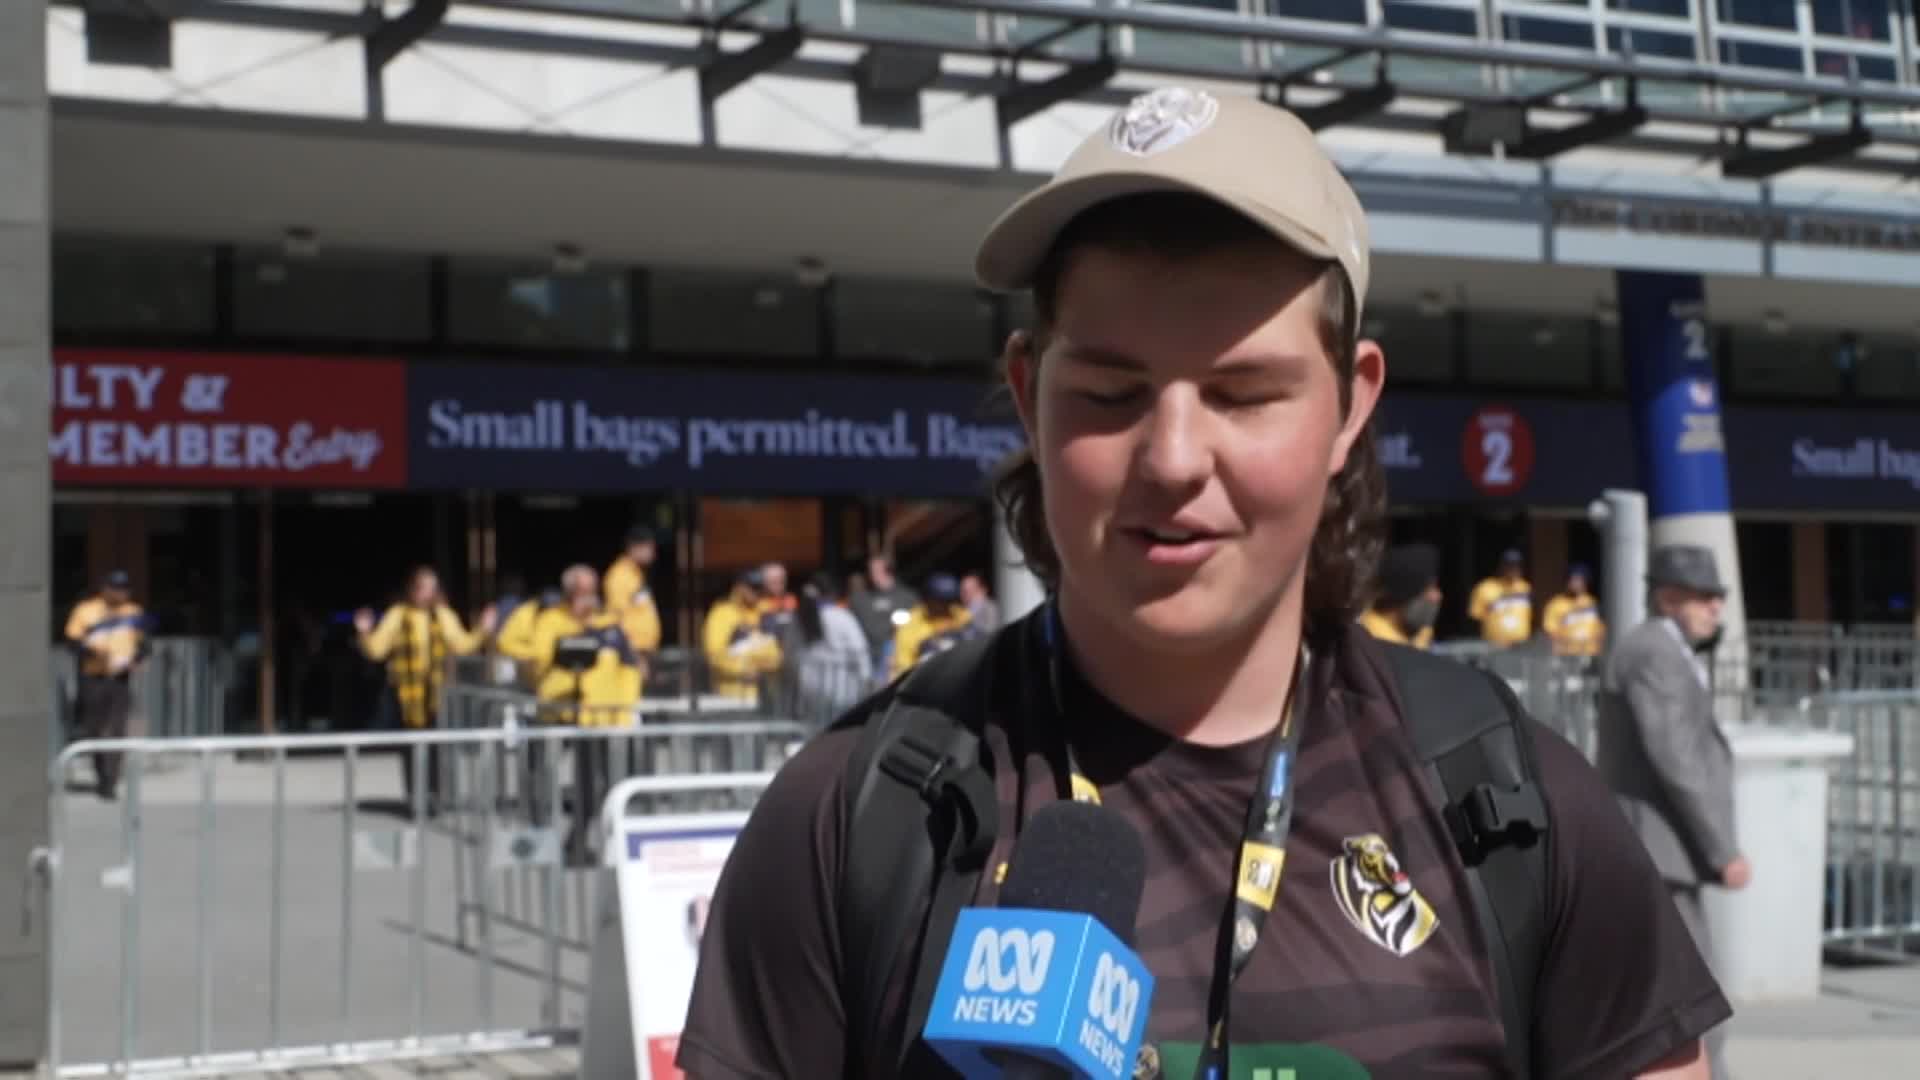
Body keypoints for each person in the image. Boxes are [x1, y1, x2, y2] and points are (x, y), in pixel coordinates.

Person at [680, 87, 1724, 1079]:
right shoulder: (853, 814)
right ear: (1028, 396)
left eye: (1243, 392)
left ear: (1350, 408)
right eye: (1109, 391)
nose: (1174, 458)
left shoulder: (1514, 805)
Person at [1597, 544, 1748, 1080]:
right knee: (1692, 996)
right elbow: (1675, 756)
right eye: (1705, 597)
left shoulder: (1666, 650)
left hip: (1665, 852)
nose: (1716, 609)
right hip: (1657, 848)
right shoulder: (1653, 653)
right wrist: (1722, 848)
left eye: (1718, 598)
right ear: (1667, 597)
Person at [529, 563, 650, 860]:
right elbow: (539, 662)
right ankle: (548, 843)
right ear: (569, 593)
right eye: (582, 592)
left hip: (602, 717)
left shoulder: (609, 625)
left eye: (592, 591)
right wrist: (575, 637)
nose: (589, 598)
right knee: (546, 782)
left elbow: (631, 665)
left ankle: (584, 841)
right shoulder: (550, 621)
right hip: (560, 713)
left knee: (603, 783)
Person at [355, 567, 495, 813]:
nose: (427, 593)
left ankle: (434, 798)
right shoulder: (398, 615)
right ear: (412, 589)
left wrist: (483, 629)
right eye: (422, 587)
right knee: (410, 747)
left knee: (437, 748)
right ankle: (415, 798)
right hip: (406, 696)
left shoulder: (443, 615)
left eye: (432, 587)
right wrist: (364, 631)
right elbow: (377, 650)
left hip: (436, 695)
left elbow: (463, 645)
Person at [63, 570, 148, 800]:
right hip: (94, 677)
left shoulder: (133, 612)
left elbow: (143, 644)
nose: (121, 594)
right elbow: (72, 642)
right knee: (96, 728)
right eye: (116, 588)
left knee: (117, 728)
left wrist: (136, 660)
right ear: (105, 589)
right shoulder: (86, 611)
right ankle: (102, 775)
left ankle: (111, 780)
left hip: (120, 679)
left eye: (125, 589)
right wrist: (95, 653)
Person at [791, 571, 874, 728]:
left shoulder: (797, 619)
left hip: (811, 691)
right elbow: (860, 650)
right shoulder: (841, 616)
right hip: (841, 691)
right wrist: (866, 680)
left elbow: (790, 655)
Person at [701, 570, 782, 701]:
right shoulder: (722, 612)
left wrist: (762, 666)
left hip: (766, 693)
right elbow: (714, 654)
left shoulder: (767, 610)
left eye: (760, 588)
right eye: (753, 587)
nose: (757, 592)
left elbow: (777, 652)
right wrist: (743, 669)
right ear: (739, 587)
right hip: (733, 693)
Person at [887, 572, 978, 679]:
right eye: (939, 601)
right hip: (924, 681)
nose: (944, 606)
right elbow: (903, 667)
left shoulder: (960, 615)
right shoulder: (911, 624)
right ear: (928, 600)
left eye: (948, 601)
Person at [1359, 542, 1442, 649]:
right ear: (1403, 596)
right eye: (1428, 589)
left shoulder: (1418, 632)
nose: (1437, 596)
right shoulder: (1374, 643)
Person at [848, 553, 918, 669]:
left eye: (877, 571)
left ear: (889, 571)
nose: (873, 575)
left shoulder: (908, 597)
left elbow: (917, 627)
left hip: (897, 657)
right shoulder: (859, 599)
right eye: (871, 571)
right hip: (867, 657)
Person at [603, 524, 665, 654]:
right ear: (635, 547)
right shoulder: (620, 575)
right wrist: (628, 650)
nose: (653, 554)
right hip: (632, 650)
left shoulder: (636, 574)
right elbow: (616, 616)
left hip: (644, 649)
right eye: (650, 548)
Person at [1469, 548, 1533, 648]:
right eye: (1510, 565)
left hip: (1521, 644)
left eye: (1517, 565)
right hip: (1494, 644)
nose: (1513, 569)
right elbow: (1475, 618)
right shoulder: (1485, 587)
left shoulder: (1525, 587)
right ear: (1501, 566)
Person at [1544, 563, 1607, 658]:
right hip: (1567, 655)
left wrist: (1600, 650)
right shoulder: (1556, 604)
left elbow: (1601, 630)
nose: (1576, 583)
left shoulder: (1592, 603)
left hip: (1591, 654)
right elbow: (1551, 632)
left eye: (1579, 580)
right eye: (1573, 579)